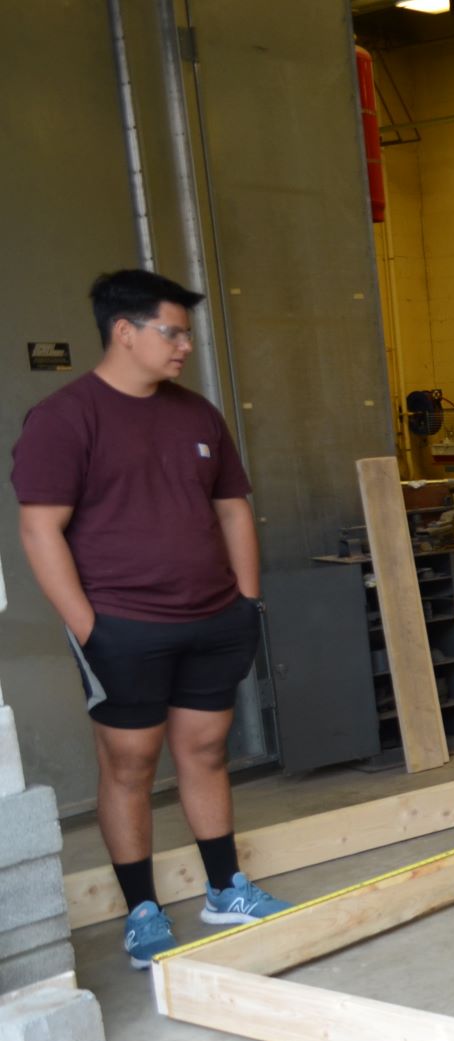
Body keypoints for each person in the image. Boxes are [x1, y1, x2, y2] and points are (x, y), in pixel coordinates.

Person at [11, 269, 290, 970]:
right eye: (173, 332)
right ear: (124, 331)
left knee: (206, 750)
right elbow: (40, 529)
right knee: (130, 762)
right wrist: (89, 628)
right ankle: (141, 909)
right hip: (123, 624)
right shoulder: (65, 417)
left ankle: (225, 888)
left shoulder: (197, 415)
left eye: (187, 334)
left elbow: (233, 509)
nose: (185, 346)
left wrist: (247, 601)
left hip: (213, 617)